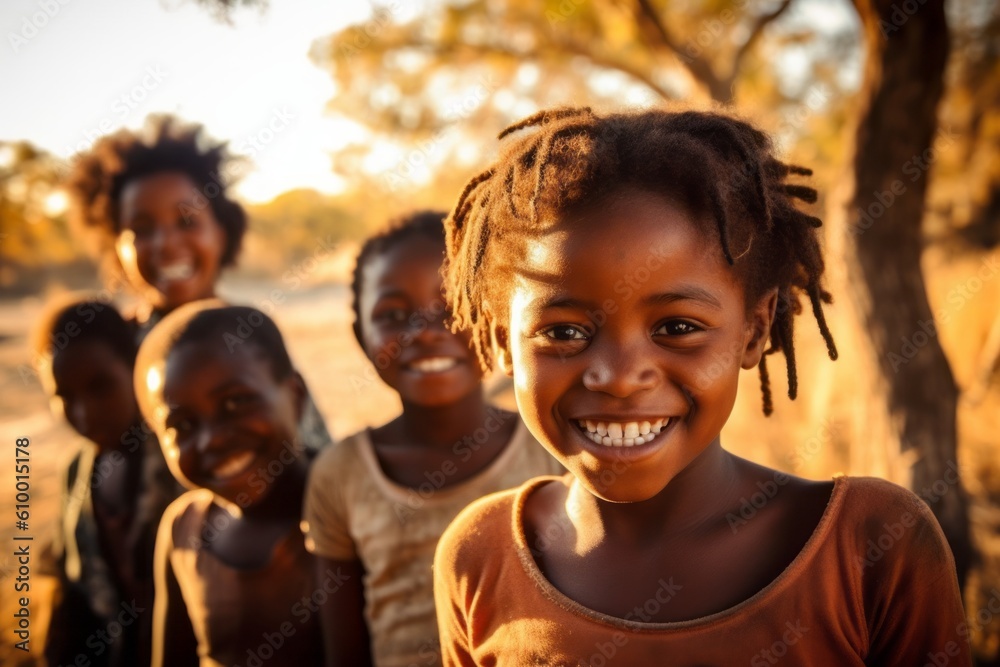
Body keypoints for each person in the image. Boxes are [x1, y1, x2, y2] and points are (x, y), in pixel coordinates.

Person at [432, 107, 972, 665]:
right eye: (564, 331)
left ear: (753, 332)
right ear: (501, 344)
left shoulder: (870, 545)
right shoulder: (480, 555)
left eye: (677, 328)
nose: (618, 377)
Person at [301, 212, 563, 667]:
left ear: (499, 320)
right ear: (360, 335)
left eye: (449, 308)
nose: (423, 333)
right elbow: (343, 650)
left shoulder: (555, 447)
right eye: (393, 315)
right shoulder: (339, 475)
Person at [66, 114, 332, 449]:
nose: (165, 244)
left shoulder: (252, 340)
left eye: (186, 220)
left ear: (222, 231)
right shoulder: (114, 350)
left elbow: (315, 463)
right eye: (143, 228)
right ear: (116, 245)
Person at [136, 303, 323, 667]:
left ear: (296, 396)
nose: (212, 440)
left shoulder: (346, 505)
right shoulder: (182, 529)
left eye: (236, 402)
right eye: (183, 426)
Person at [33, 295, 180, 667]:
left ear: (135, 369)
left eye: (101, 387)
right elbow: (74, 592)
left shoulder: (181, 459)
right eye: (65, 397)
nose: (84, 413)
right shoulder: (76, 473)